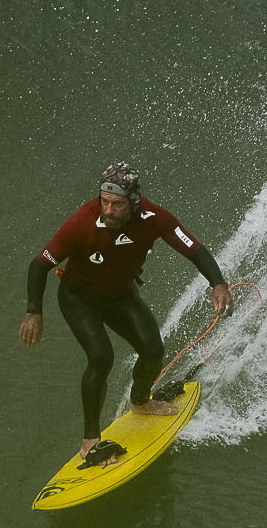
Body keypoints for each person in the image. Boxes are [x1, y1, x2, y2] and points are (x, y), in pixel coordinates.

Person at [21, 162, 232, 468]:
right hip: (79, 300)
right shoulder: (81, 222)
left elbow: (194, 249)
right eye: (104, 202)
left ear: (133, 201)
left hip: (120, 296)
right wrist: (33, 312)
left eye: (117, 204)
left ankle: (142, 401)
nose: (108, 210)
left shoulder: (154, 218)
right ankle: (89, 442)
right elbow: (39, 264)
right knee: (101, 357)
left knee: (152, 350)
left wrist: (218, 284)